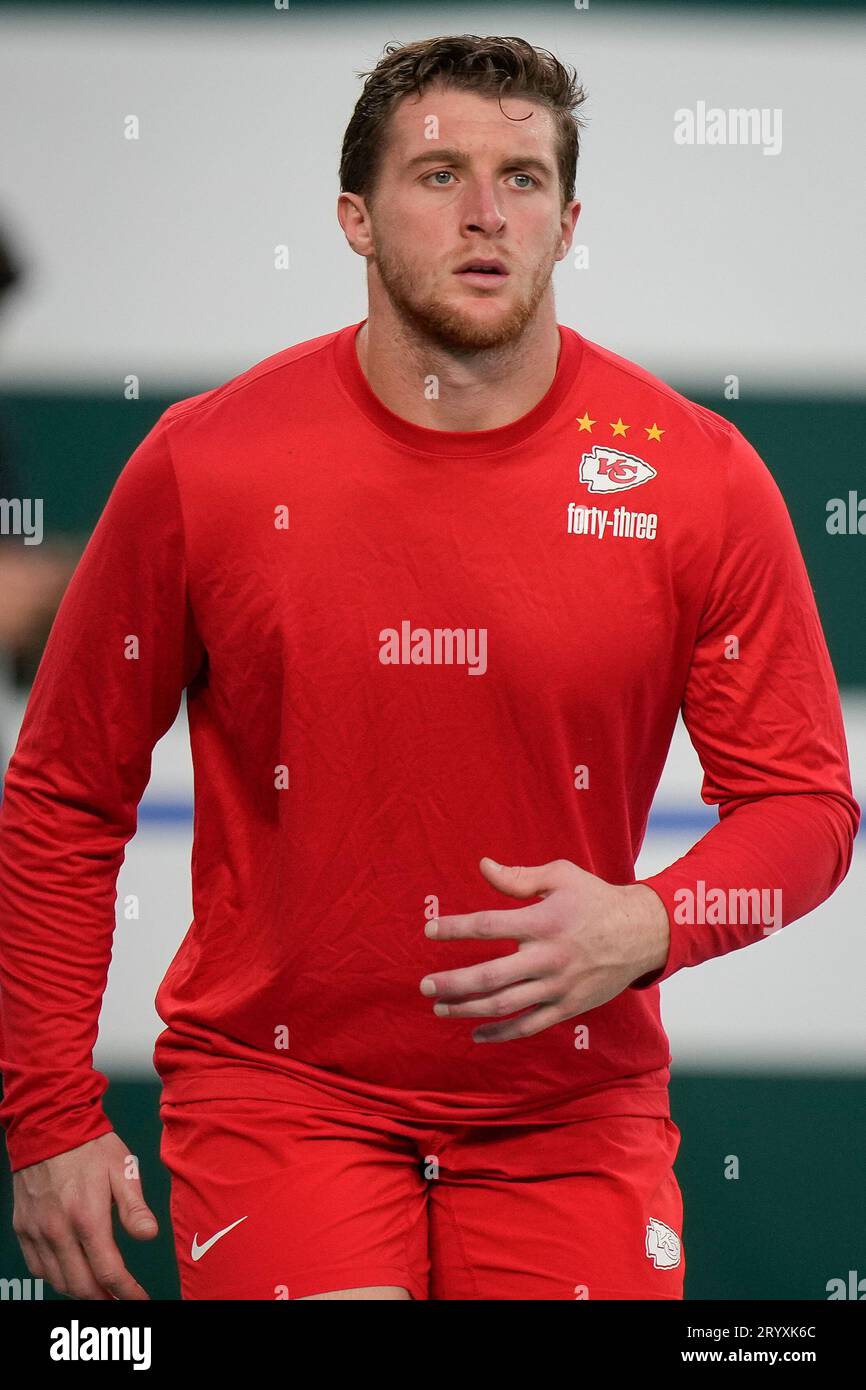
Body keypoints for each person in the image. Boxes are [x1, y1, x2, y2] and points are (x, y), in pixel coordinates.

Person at [0, 34, 858, 1302]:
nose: (482, 213)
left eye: (520, 179)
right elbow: (65, 792)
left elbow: (806, 809)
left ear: (569, 222)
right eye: (438, 171)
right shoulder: (207, 465)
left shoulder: (697, 479)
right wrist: (50, 1118)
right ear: (352, 218)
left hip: (575, 1111)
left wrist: (650, 920)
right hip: (280, 1091)